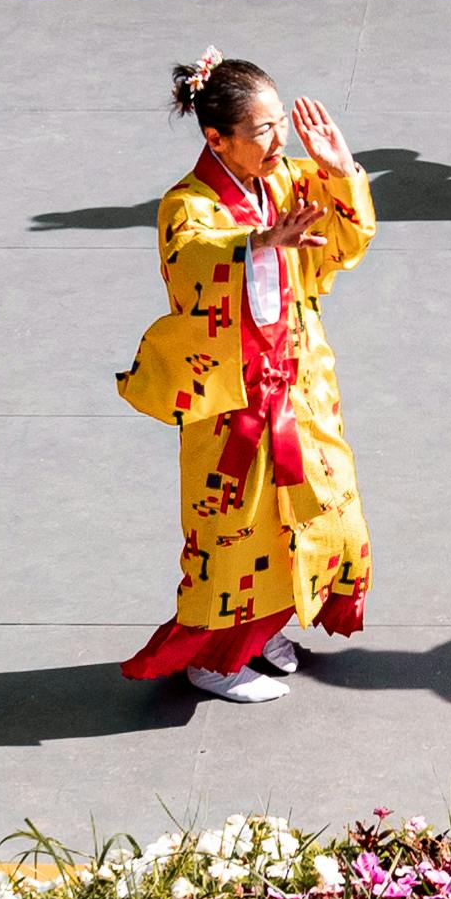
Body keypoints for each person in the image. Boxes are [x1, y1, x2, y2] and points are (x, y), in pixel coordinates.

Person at [115, 53, 376, 703]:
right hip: (232, 401)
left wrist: (341, 170)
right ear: (216, 138)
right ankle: (215, 661)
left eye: (280, 122)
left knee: (327, 515)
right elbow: (192, 256)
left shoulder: (286, 182)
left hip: (298, 385)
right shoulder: (186, 205)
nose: (279, 140)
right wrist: (258, 244)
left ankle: (260, 633)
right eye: (261, 129)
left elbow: (345, 243)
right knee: (234, 537)